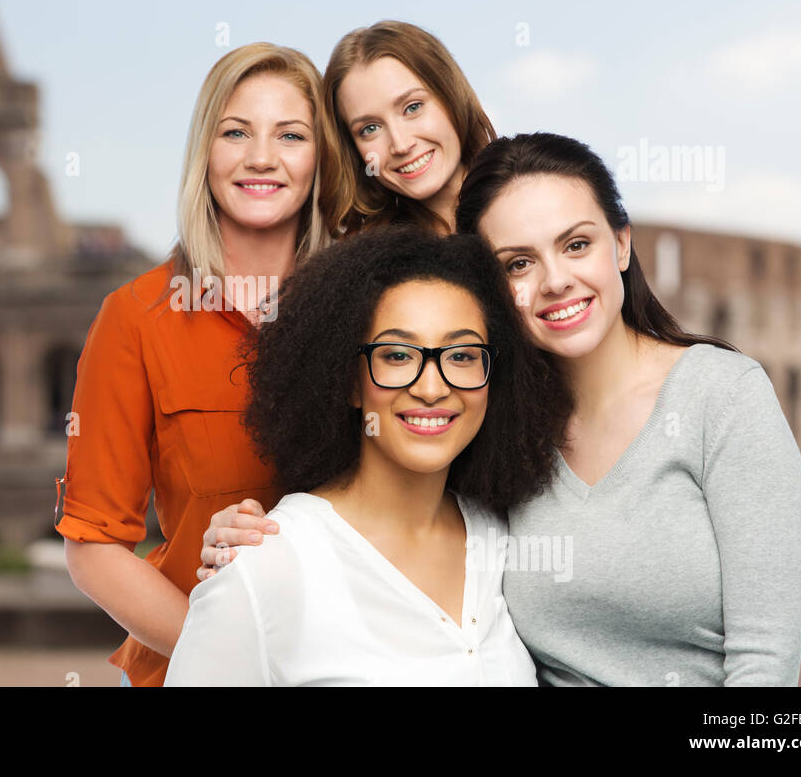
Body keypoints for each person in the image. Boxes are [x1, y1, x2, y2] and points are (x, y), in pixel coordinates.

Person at [199, 132, 801, 687]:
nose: (554, 280)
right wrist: (251, 550)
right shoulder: (494, 427)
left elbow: (766, 665)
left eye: (576, 244)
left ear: (621, 244)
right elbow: (376, 508)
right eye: (518, 263)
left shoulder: (722, 397)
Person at [56, 42, 351, 687]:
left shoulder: (368, 311)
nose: (261, 158)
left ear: (320, 159)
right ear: (205, 154)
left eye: (291, 135)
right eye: (235, 132)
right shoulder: (134, 319)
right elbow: (94, 547)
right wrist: (232, 660)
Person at [165, 226, 570, 685]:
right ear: (350, 381)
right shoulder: (264, 568)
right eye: (397, 355)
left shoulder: (503, 542)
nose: (432, 388)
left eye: (461, 356)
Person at [319, 20, 496, 236]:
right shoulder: (367, 259)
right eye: (370, 128)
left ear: (451, 97)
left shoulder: (535, 196)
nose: (401, 144)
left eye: (412, 107)